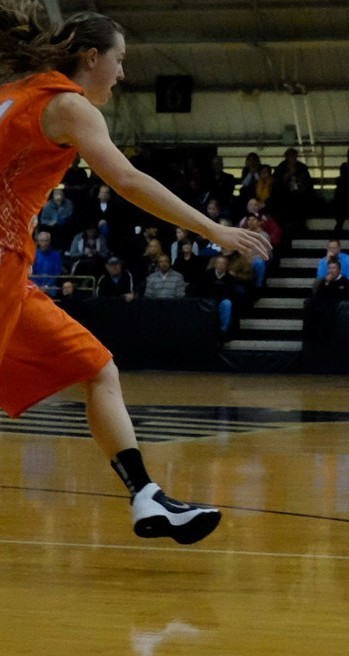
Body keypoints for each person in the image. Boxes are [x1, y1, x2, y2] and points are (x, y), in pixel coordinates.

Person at [0, 6, 270, 545]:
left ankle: (148, 497)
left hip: (14, 271)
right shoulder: (67, 105)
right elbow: (125, 179)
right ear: (91, 56)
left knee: (97, 368)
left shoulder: (14, 90)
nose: (123, 74)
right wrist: (214, 229)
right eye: (119, 60)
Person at [30, 230, 64, 295]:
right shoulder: (34, 255)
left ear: (49, 241)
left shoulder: (56, 255)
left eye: (46, 241)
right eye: (42, 241)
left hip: (51, 287)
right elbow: (32, 273)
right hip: (36, 286)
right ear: (38, 242)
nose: (44, 243)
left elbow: (57, 273)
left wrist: (47, 286)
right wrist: (38, 286)